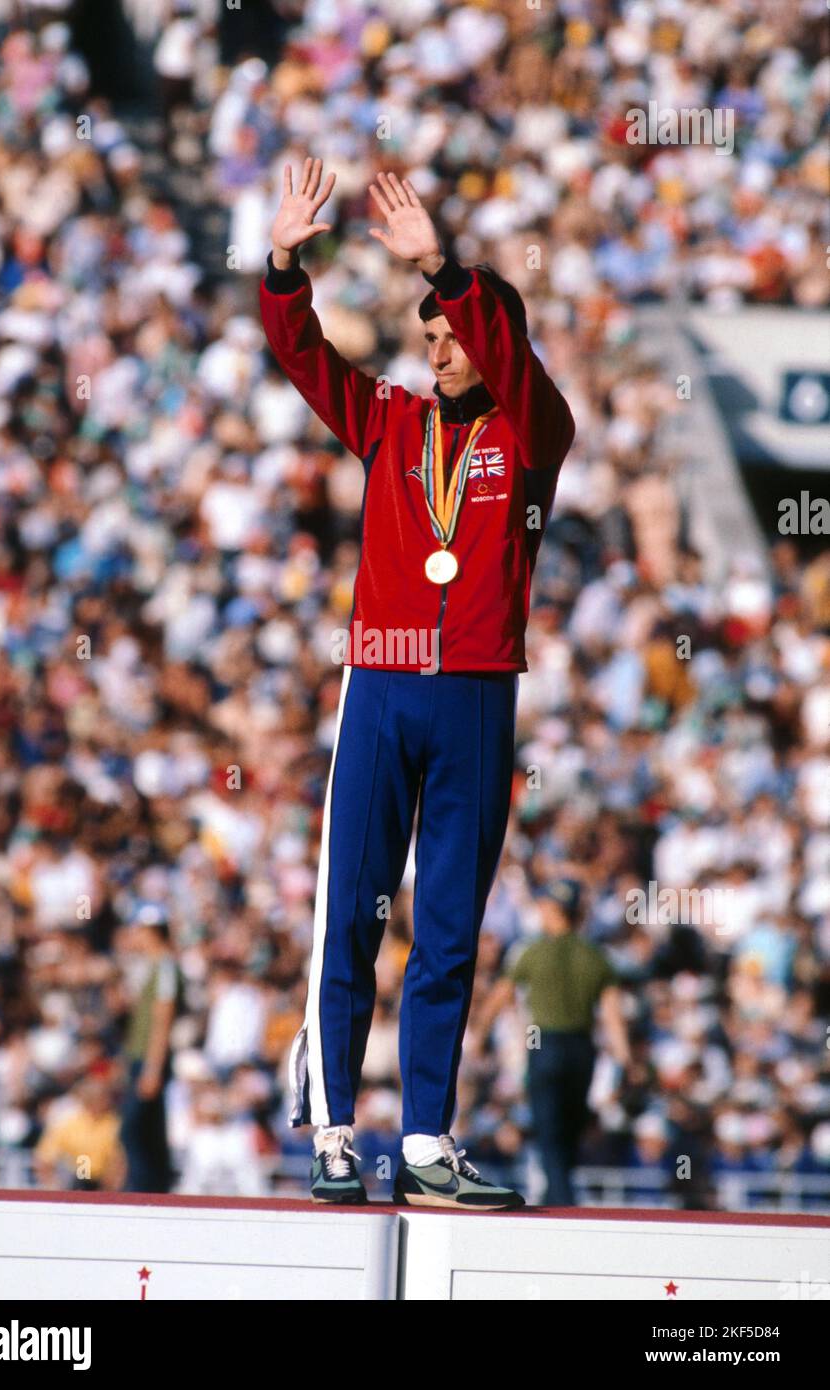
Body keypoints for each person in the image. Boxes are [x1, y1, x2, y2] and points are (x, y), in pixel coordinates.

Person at [257, 158, 575, 1209]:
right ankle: (336, 1131)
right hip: (382, 685)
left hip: (478, 693)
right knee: (349, 908)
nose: (436, 347)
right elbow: (303, 361)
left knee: (446, 921)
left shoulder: (530, 434)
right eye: (427, 333)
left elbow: (501, 352)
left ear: (492, 339)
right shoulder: (391, 423)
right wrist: (281, 264)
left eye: (453, 331)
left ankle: (429, 1137)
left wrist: (443, 266)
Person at [478, 878, 632, 1206]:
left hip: (543, 1046)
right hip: (581, 1050)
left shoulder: (531, 951)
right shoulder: (595, 955)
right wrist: (624, 1059)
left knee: (549, 1133)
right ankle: (559, 1198)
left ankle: (560, 1205)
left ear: (551, 909)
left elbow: (500, 996)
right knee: (570, 1131)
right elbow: (612, 1015)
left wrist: (479, 1036)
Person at [118, 907, 184, 1192]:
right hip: (143, 1058)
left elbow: (163, 1017)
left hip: (149, 1060)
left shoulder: (165, 966)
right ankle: (155, 1190)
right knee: (150, 1131)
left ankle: (144, 1191)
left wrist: (152, 1068)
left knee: (133, 1130)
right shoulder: (155, 965)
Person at [34, 1069, 126, 1192]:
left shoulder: (114, 1124)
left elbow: (119, 1162)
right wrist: (55, 1187)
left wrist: (110, 1190)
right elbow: (44, 1159)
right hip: (74, 1179)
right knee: (81, 1166)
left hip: (104, 1182)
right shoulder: (69, 1124)